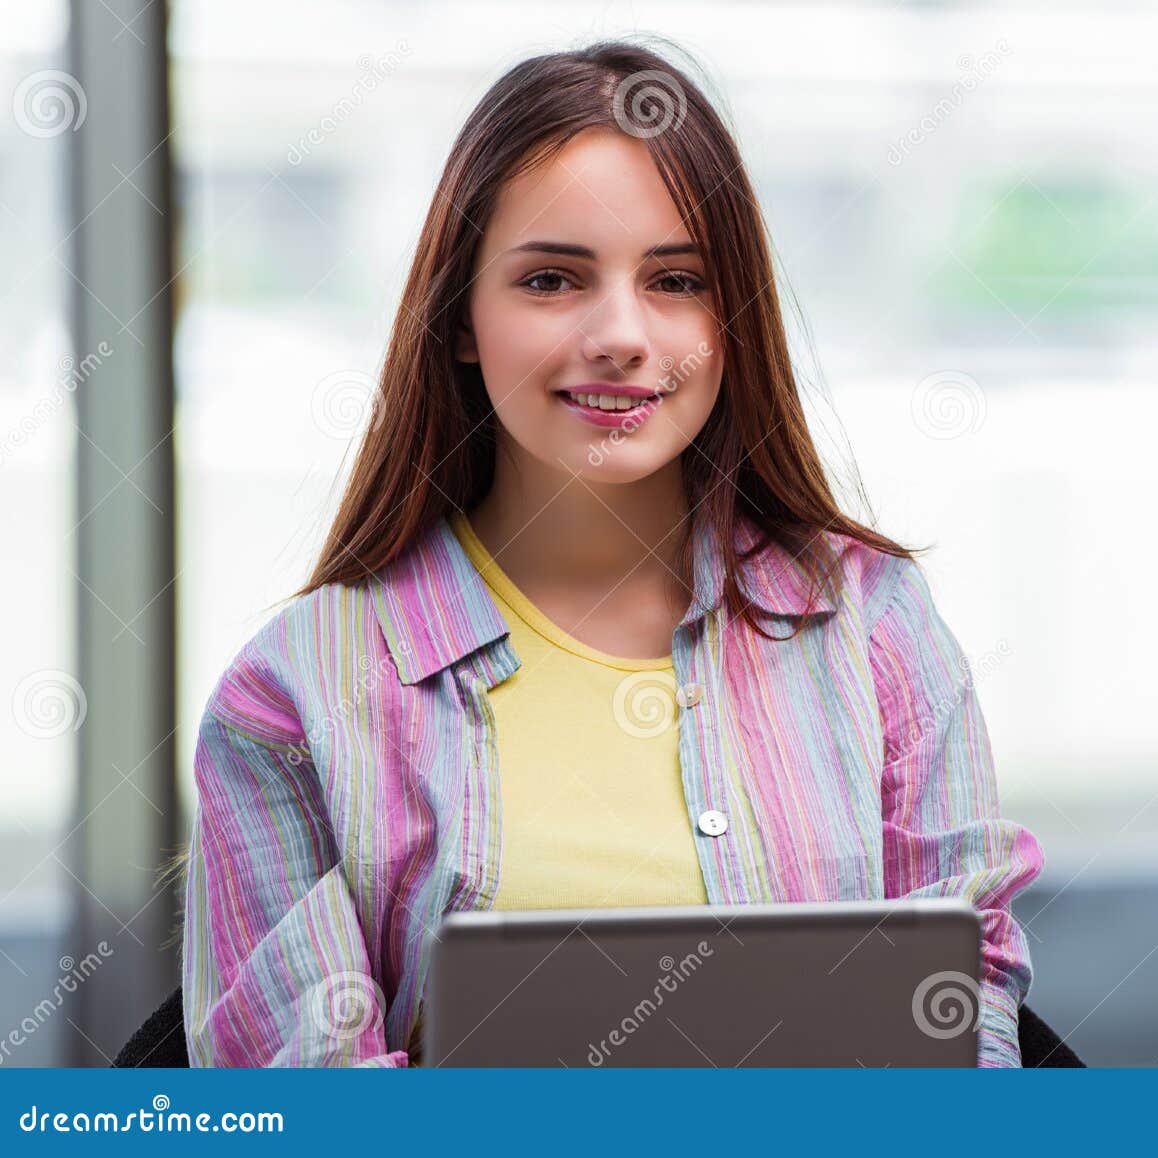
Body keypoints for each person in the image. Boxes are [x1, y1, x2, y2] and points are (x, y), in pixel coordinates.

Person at [178, 37, 1044, 1068]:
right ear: (460, 318)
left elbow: (965, 1011)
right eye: (552, 279)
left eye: (675, 280)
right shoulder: (293, 698)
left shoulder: (878, 626)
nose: (622, 335)